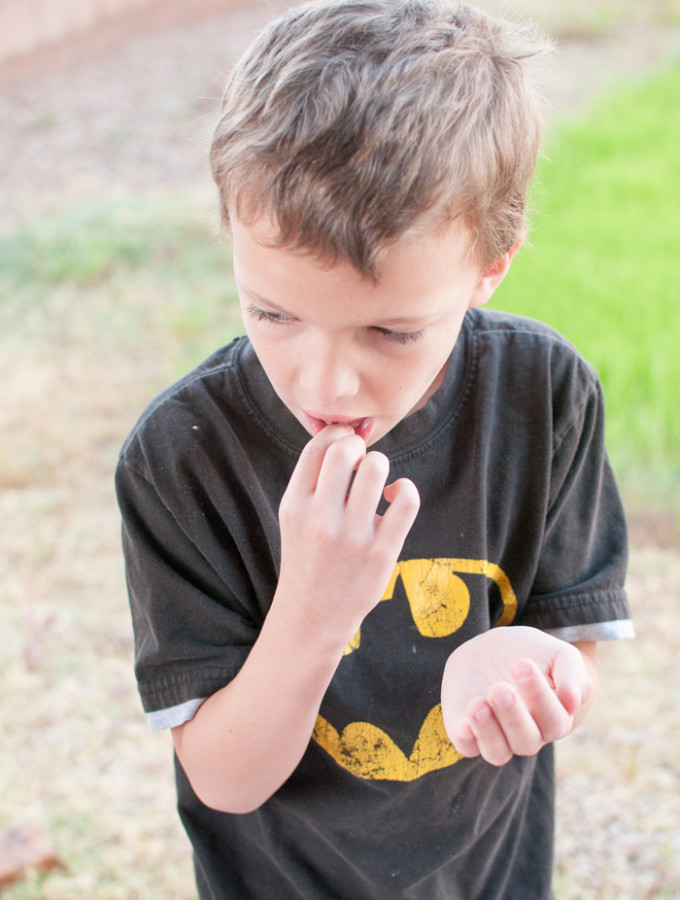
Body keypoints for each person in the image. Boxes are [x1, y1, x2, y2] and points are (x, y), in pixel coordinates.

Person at [115, 1, 633, 897]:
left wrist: (528, 669)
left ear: (491, 266)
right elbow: (225, 778)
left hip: (490, 873)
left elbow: (569, 635)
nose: (325, 385)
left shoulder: (541, 394)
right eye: (273, 313)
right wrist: (315, 610)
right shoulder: (182, 459)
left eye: (391, 332)